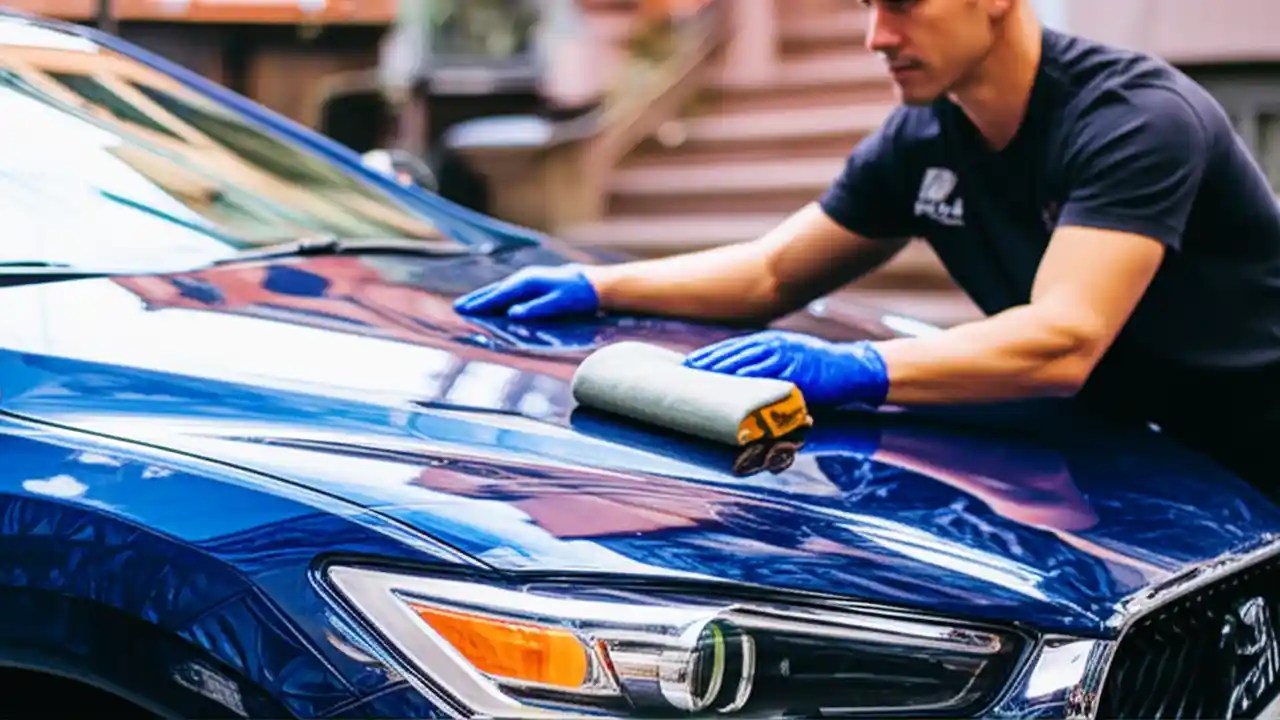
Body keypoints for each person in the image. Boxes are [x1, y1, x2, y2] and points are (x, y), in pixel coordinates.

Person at [453, 0, 1280, 490]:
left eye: (905, 4)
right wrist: (603, 286)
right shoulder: (922, 137)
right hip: (1139, 458)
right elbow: (773, 271)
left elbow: (1064, 338)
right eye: (866, 5)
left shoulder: (1132, 119)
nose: (876, 36)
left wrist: (857, 368)